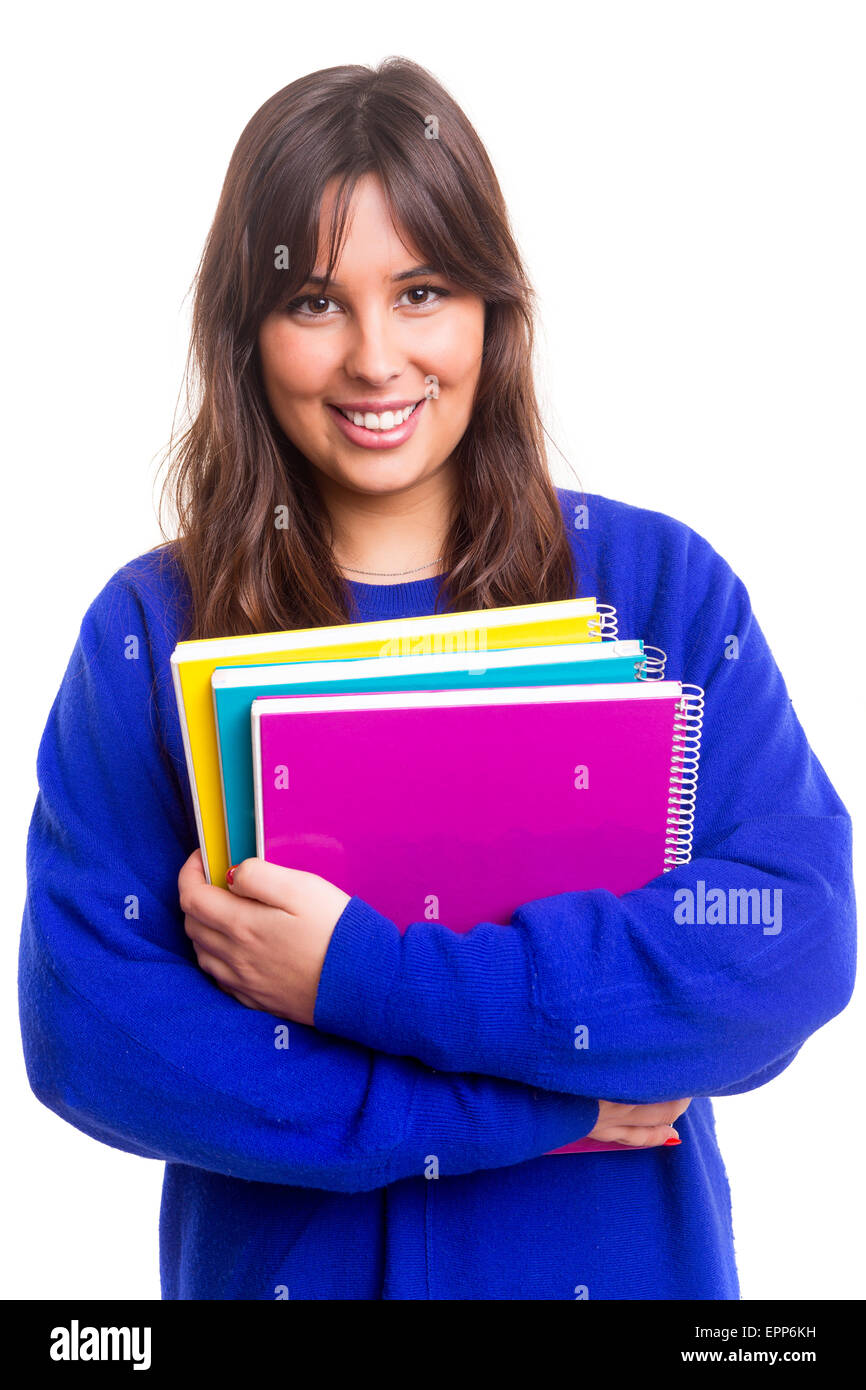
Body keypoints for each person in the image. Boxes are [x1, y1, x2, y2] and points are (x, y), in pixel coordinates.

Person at [19, 58, 855, 1301]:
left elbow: (783, 939)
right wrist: (538, 1109)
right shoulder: (150, 630)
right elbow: (98, 1036)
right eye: (313, 300)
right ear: (242, 331)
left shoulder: (662, 588)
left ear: (487, 310)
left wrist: (360, 976)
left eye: (419, 291)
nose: (374, 358)